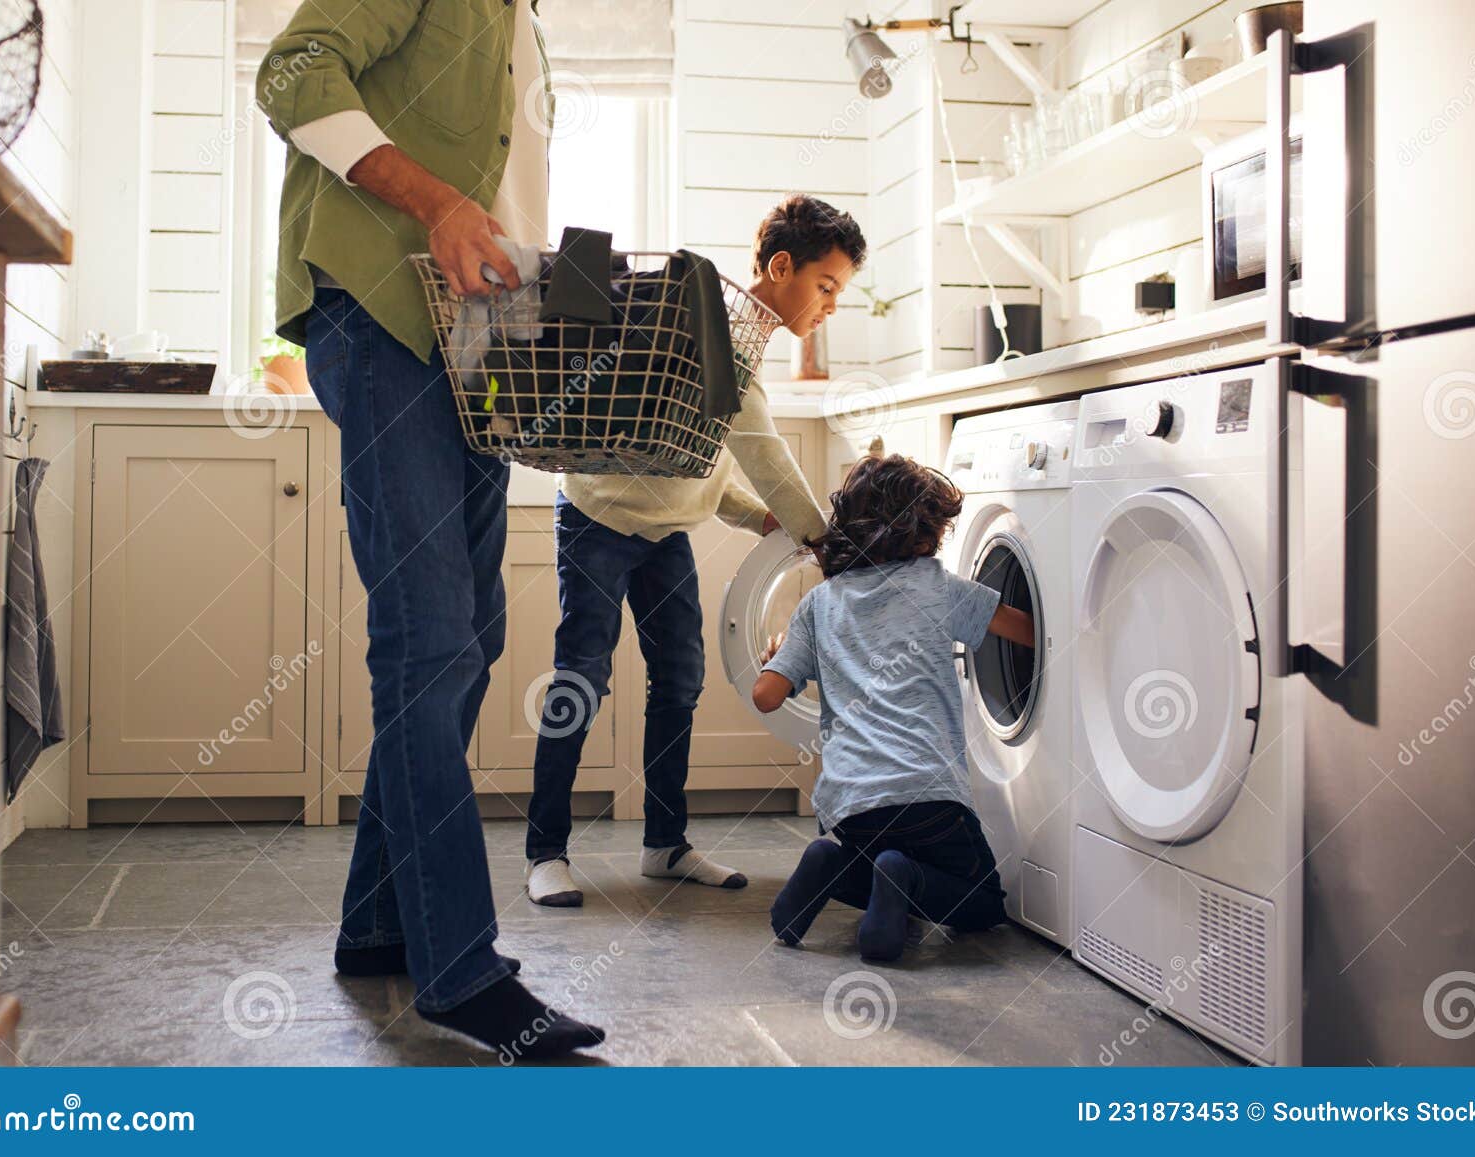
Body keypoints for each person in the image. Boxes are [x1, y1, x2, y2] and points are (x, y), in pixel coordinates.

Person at [256, 0, 604, 1058]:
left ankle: (377, 924)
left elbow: (504, 195)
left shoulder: (524, 27)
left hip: (477, 343)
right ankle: (460, 969)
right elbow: (293, 71)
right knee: (430, 641)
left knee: (467, 640)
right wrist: (437, 201)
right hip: (383, 315)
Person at [522, 194, 865, 907]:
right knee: (582, 676)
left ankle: (665, 844)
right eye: (827, 286)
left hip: (666, 532)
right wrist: (825, 540)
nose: (832, 306)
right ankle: (545, 851)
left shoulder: (742, 344)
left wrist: (755, 518)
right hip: (598, 517)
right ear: (781, 268)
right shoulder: (719, 332)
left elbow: (697, 462)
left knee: (679, 680)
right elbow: (764, 454)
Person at [753, 453, 1036, 963]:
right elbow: (1029, 632)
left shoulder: (819, 603)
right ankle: (901, 877)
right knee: (982, 904)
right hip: (930, 797)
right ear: (923, 536)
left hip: (850, 805)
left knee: (878, 855)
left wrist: (779, 659)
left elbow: (766, 696)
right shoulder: (935, 586)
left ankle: (831, 866)